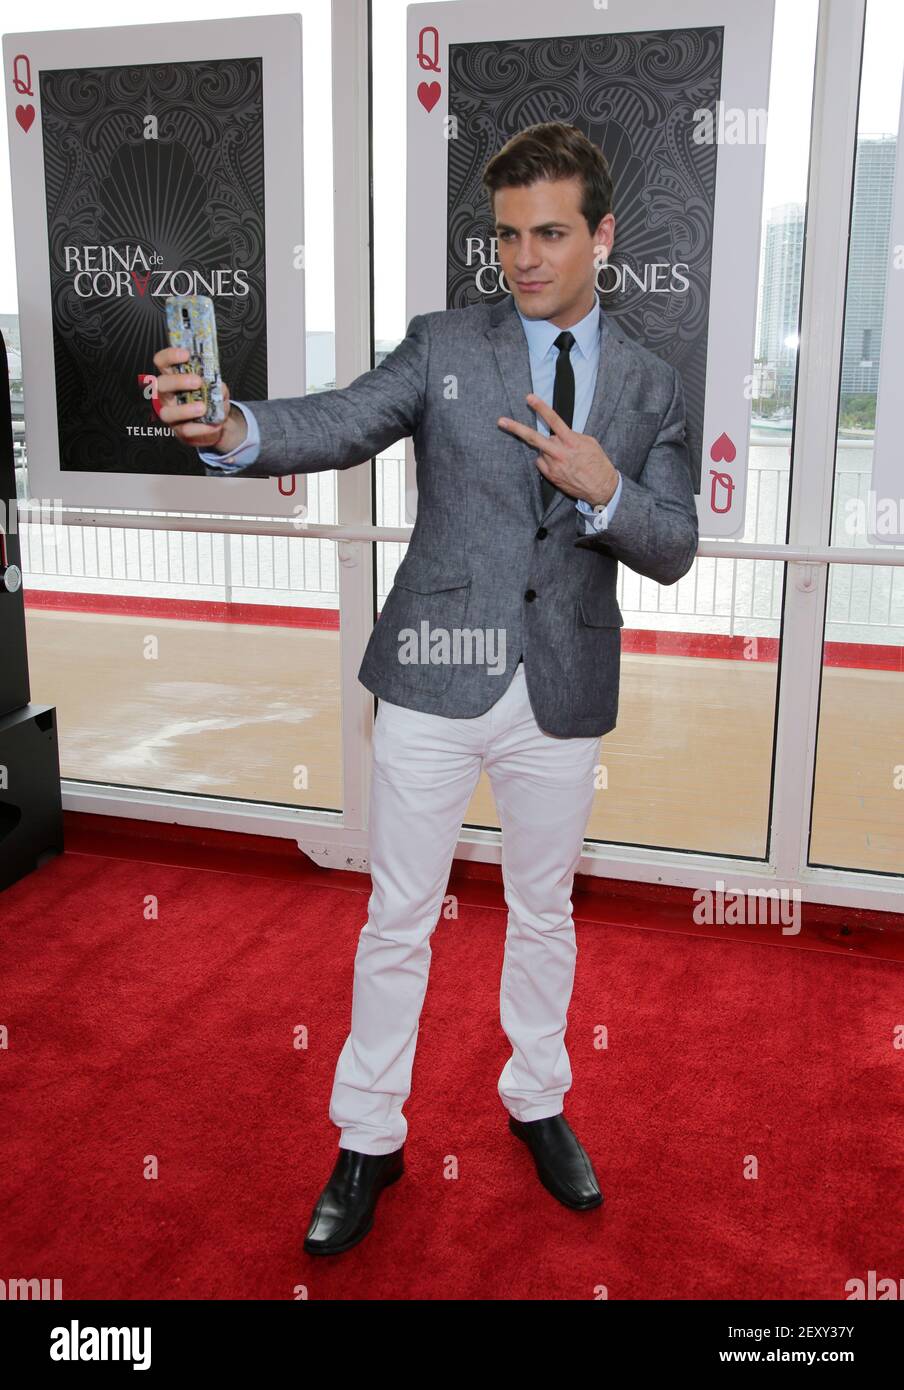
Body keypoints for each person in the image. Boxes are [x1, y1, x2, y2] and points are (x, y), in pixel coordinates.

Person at [153, 121, 698, 1257]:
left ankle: (536, 1099)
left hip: (563, 685)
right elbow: (341, 419)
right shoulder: (445, 342)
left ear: (602, 233)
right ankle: (368, 1135)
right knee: (398, 916)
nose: (524, 257)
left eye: (550, 233)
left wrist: (606, 492)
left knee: (542, 913)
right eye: (506, 235)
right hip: (431, 679)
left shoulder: (649, 380)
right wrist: (231, 427)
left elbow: (675, 540)